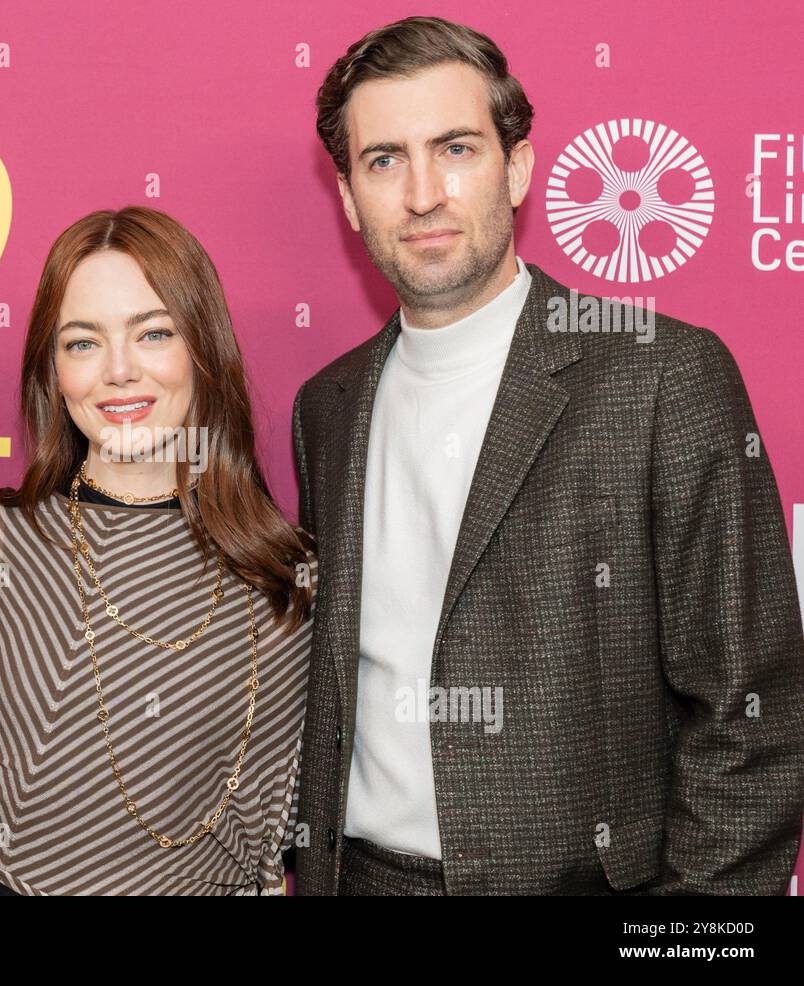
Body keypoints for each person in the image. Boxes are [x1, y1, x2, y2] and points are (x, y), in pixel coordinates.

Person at [293, 15, 804, 895]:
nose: (422, 193)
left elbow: (753, 720)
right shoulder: (327, 406)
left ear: (518, 167)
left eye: (455, 148)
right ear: (346, 197)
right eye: (384, 160)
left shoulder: (661, 375)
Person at [0, 206, 316, 894]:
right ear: (51, 371)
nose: (118, 371)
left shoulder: (288, 573)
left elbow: (281, 819)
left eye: (154, 333)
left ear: (204, 348)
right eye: (81, 343)